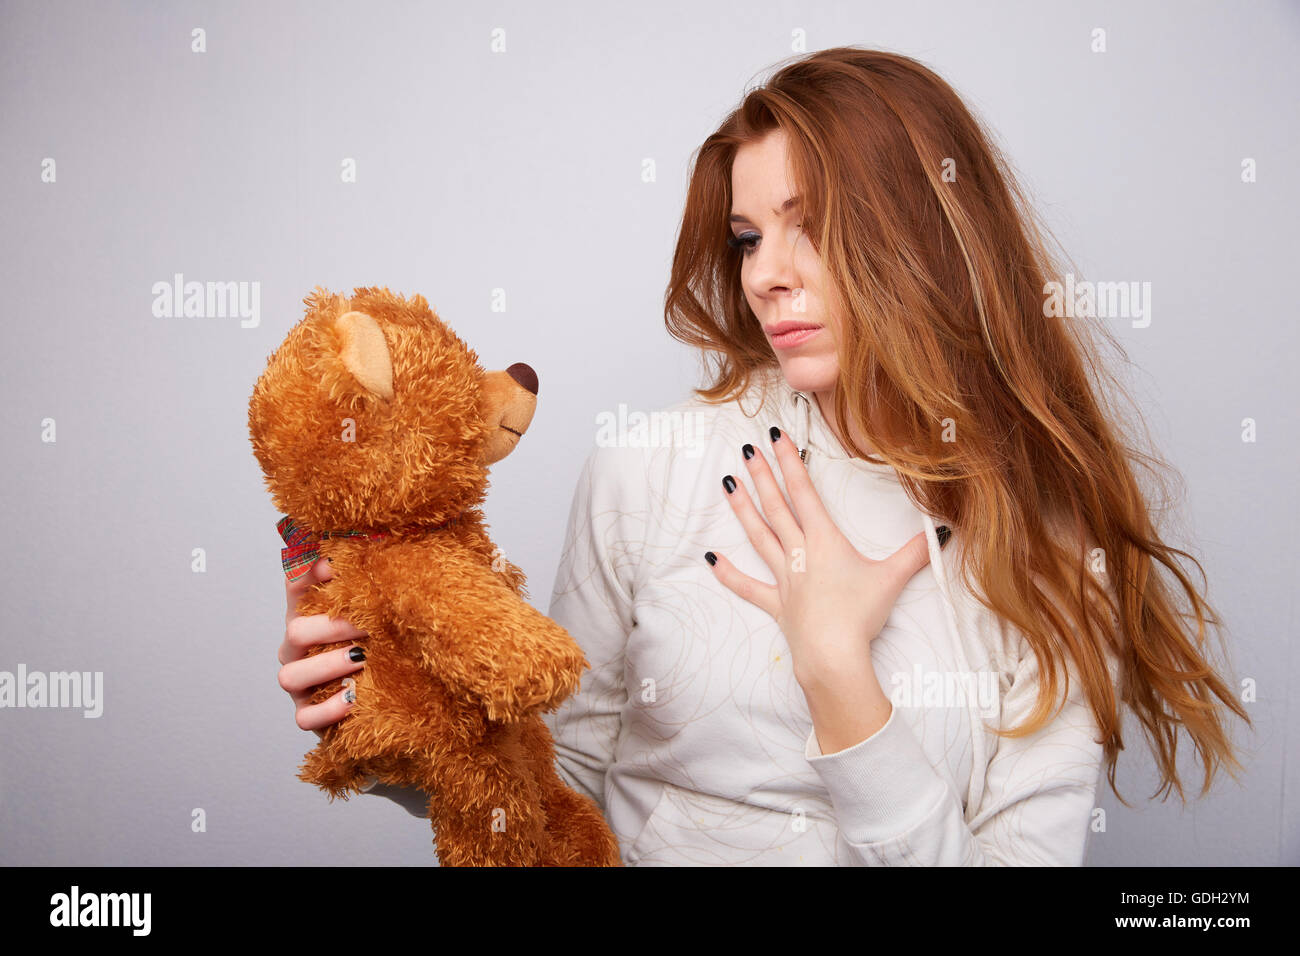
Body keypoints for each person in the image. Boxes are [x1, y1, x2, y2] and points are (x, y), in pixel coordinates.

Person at [276, 47, 1250, 865]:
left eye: (812, 228)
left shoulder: (1044, 546)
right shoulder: (648, 467)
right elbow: (553, 793)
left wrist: (836, 670)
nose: (765, 275)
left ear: (933, 235)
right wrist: (411, 737)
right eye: (747, 237)